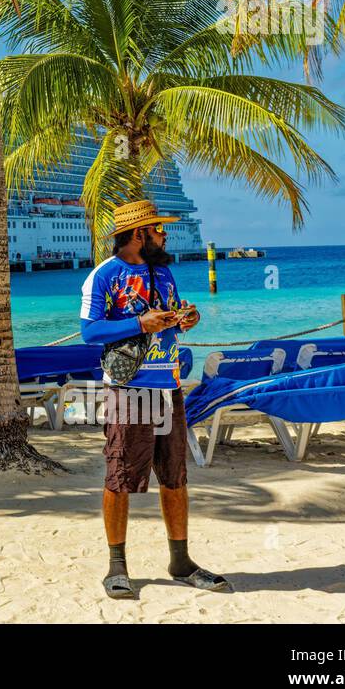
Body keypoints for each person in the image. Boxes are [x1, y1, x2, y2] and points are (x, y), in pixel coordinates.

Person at [80, 199, 230, 601]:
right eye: (159, 229)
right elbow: (89, 332)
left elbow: (172, 316)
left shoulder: (163, 272)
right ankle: (116, 567)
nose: (166, 234)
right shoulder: (105, 275)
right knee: (120, 477)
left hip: (169, 385)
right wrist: (138, 322)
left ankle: (180, 561)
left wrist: (185, 317)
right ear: (138, 234)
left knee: (175, 474)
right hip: (130, 389)